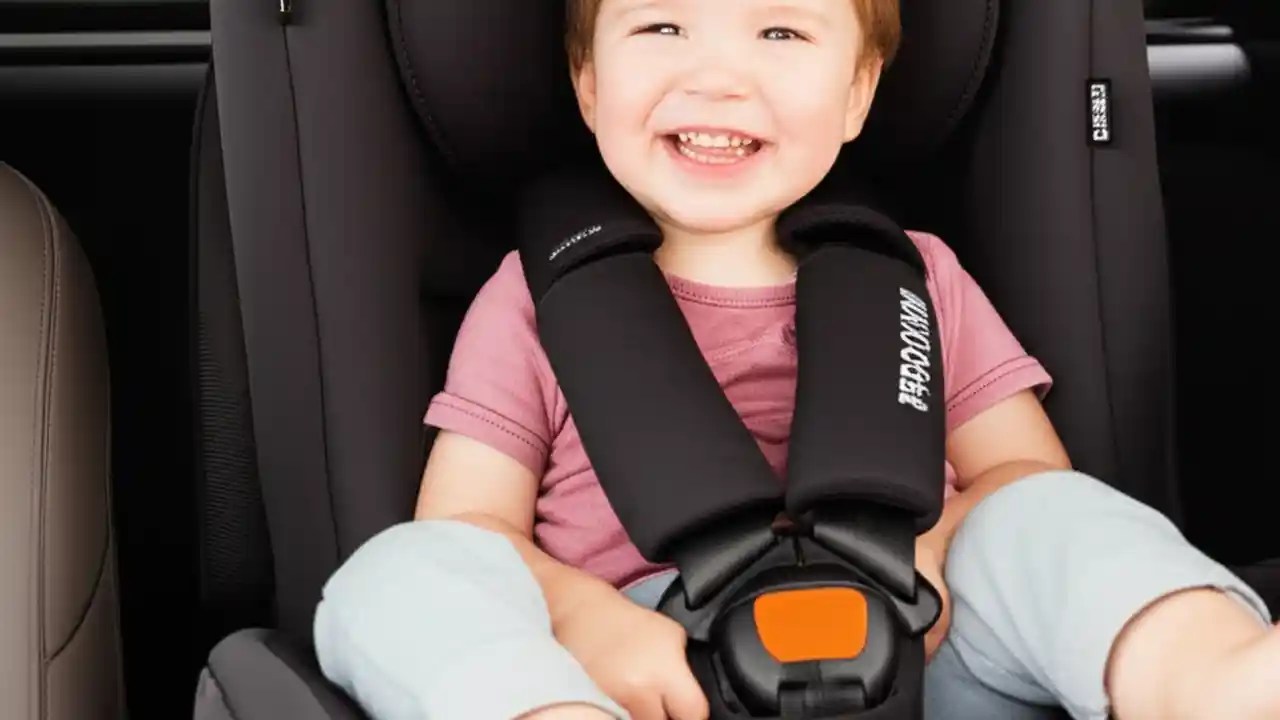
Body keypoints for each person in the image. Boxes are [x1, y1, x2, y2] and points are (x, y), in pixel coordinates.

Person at [312, 0, 1279, 718]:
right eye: (662, 29)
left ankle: (1210, 678)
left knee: (1054, 518)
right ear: (590, 84)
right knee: (396, 574)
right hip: (646, 662)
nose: (719, 77)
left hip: (922, 642)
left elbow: (1025, 476)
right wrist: (583, 622)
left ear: (858, 92)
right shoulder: (535, 299)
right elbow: (469, 526)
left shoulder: (917, 279)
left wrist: (936, 559)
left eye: (780, 34)